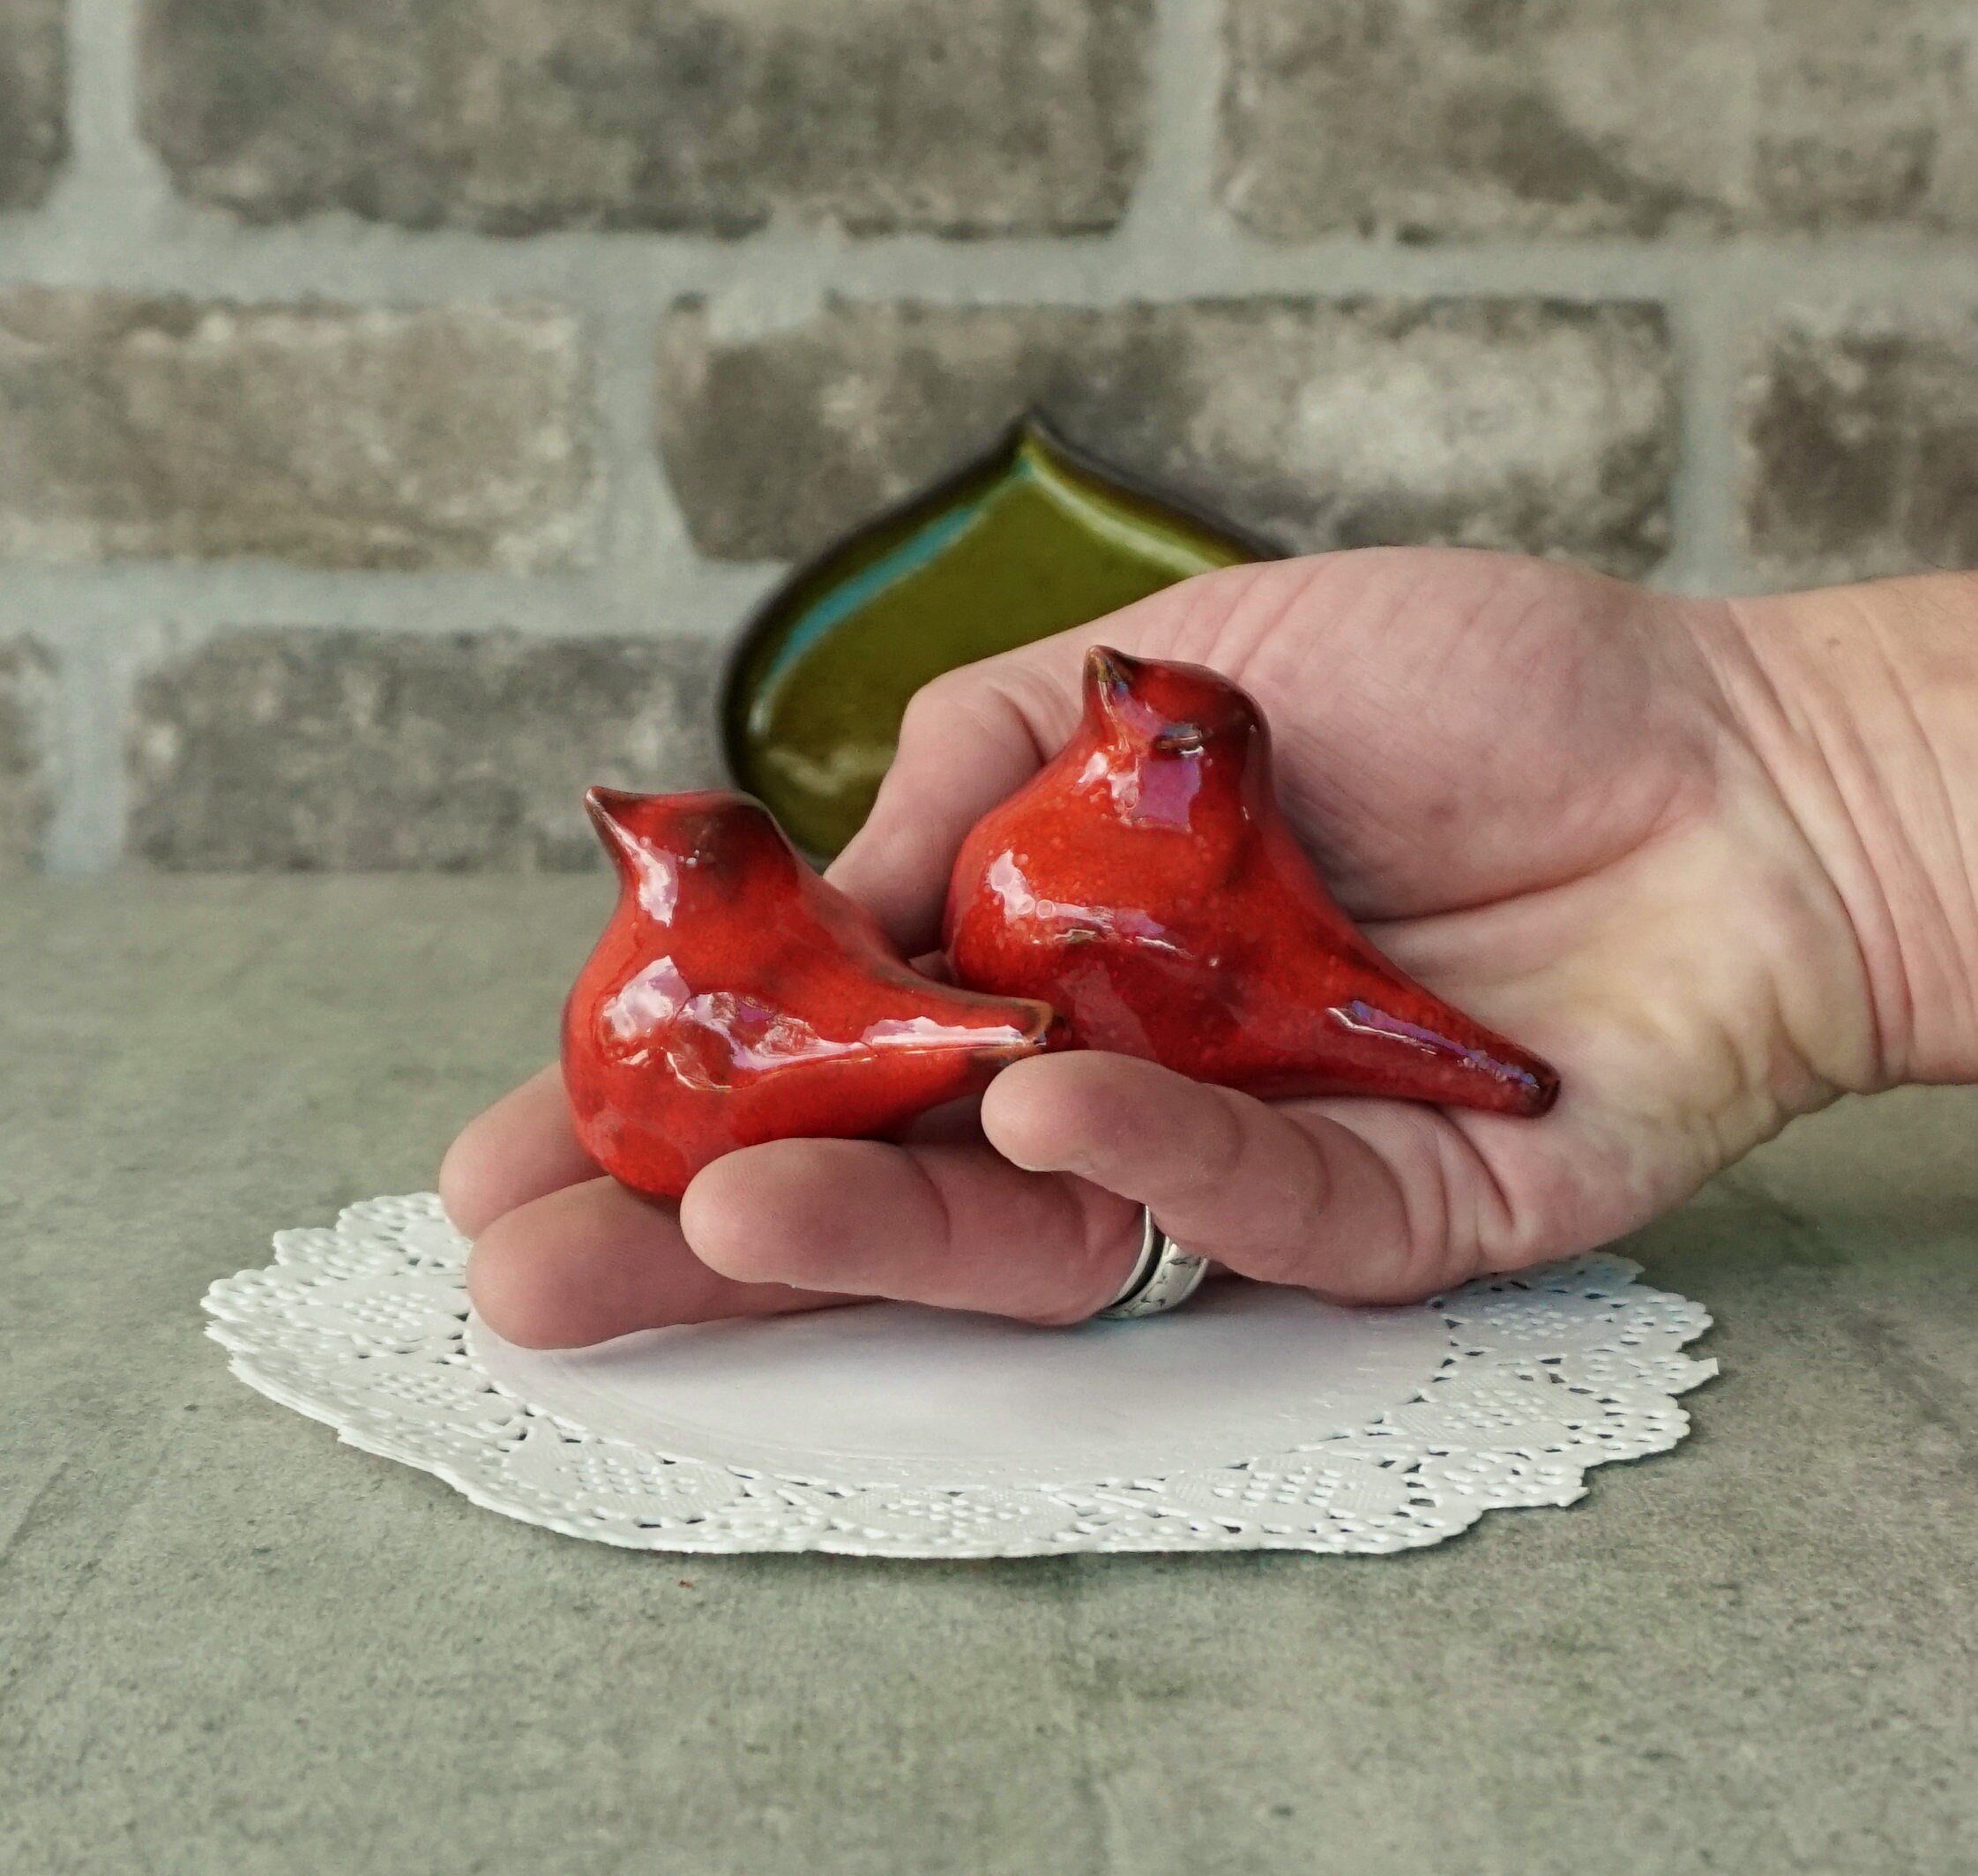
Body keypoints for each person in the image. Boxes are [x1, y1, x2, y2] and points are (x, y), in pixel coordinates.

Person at [440, 548, 1978, 1348]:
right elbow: (906, 1024)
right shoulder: (1010, 874)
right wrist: (1806, 778)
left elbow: (924, 1020)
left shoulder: (1026, 866)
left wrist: (1816, 799)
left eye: (1159, 739)